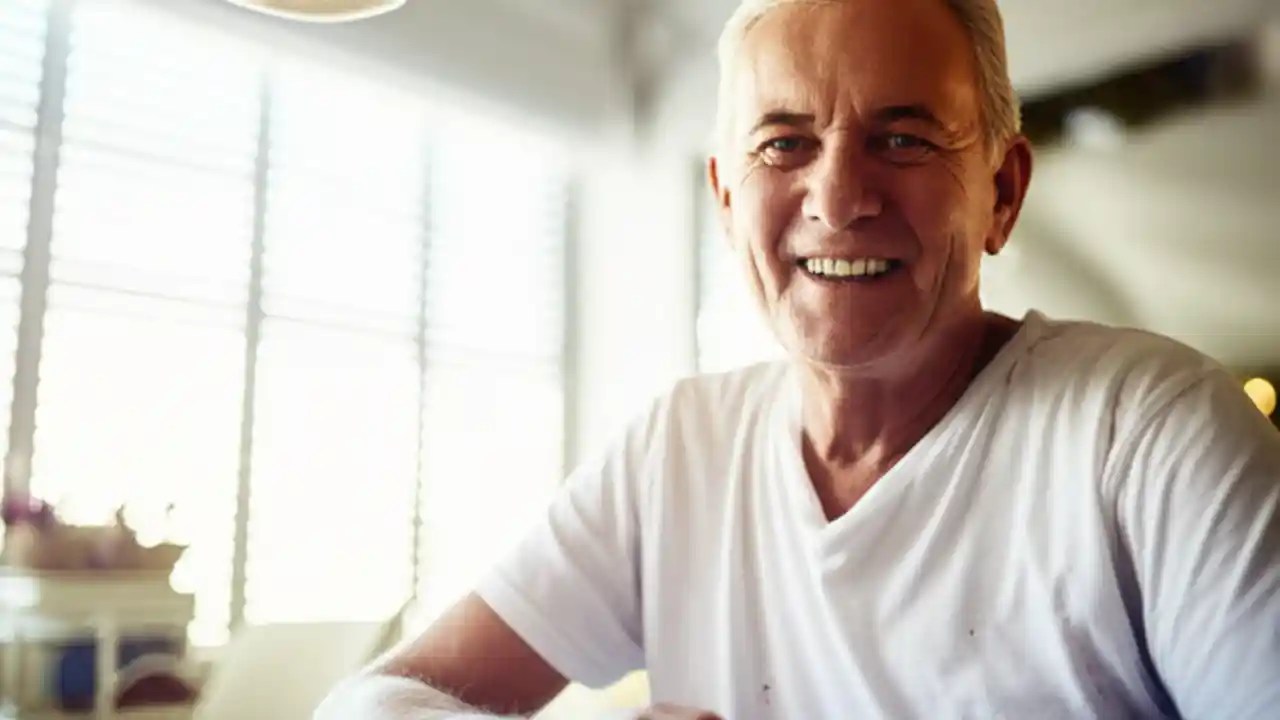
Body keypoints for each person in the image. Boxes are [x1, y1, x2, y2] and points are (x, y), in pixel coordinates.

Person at [316, 0, 1280, 717]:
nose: (838, 194)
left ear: (1002, 191)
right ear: (726, 197)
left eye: (903, 138)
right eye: (783, 144)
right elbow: (374, 702)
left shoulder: (1152, 434)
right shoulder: (679, 450)